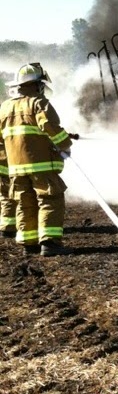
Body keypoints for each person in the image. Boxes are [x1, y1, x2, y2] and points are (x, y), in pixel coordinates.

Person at [0, 63, 74, 256]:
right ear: (37, 85)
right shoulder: (38, 103)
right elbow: (50, 127)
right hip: (40, 165)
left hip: (15, 168)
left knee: (25, 202)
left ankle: (28, 244)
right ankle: (50, 243)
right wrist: (65, 144)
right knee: (50, 199)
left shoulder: (5, 107)